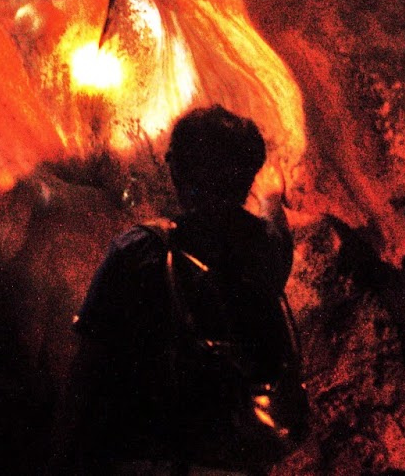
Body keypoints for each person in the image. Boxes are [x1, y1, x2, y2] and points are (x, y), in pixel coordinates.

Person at [56, 105, 296, 475]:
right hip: (238, 460)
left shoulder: (138, 250)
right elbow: (273, 226)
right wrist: (269, 200)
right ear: (248, 176)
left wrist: (68, 453)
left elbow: (88, 365)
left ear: (179, 171)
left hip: (150, 458)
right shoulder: (269, 252)